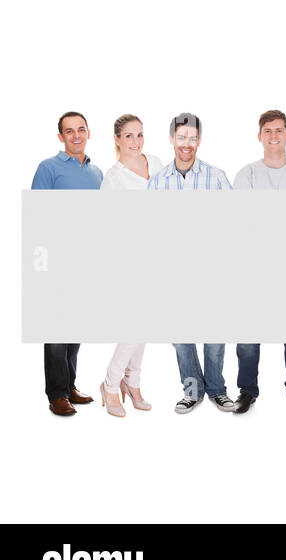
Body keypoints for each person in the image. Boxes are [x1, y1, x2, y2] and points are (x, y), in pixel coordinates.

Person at [148, 112, 234, 413]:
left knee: (214, 336)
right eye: (181, 137)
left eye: (192, 137)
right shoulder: (158, 183)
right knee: (181, 339)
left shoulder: (216, 177)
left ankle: (217, 389)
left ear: (200, 140)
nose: (187, 143)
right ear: (172, 139)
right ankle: (192, 390)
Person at [232, 110, 286, 414]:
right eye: (267, 131)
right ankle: (247, 391)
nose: (273, 136)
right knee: (247, 340)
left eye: (279, 130)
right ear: (259, 136)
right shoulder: (247, 174)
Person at [32, 111, 102, 417]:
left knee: (75, 331)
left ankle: (71, 386)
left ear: (88, 133)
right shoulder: (48, 168)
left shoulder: (98, 172)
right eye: (69, 131)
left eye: (81, 130)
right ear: (61, 137)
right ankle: (56, 394)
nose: (76, 135)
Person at [98, 114, 161, 417]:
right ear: (117, 139)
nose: (136, 142)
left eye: (140, 135)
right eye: (129, 136)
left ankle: (132, 383)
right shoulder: (114, 177)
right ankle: (111, 386)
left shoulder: (158, 162)